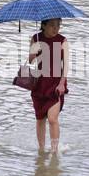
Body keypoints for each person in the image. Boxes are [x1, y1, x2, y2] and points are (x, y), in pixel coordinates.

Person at [29, 18, 68, 153]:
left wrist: (62, 83)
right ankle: (41, 150)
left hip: (56, 84)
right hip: (39, 84)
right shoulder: (36, 38)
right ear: (43, 25)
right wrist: (34, 51)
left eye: (58, 25)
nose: (56, 29)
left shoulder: (63, 40)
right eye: (52, 25)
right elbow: (30, 60)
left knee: (52, 119)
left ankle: (54, 151)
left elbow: (66, 65)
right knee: (40, 118)